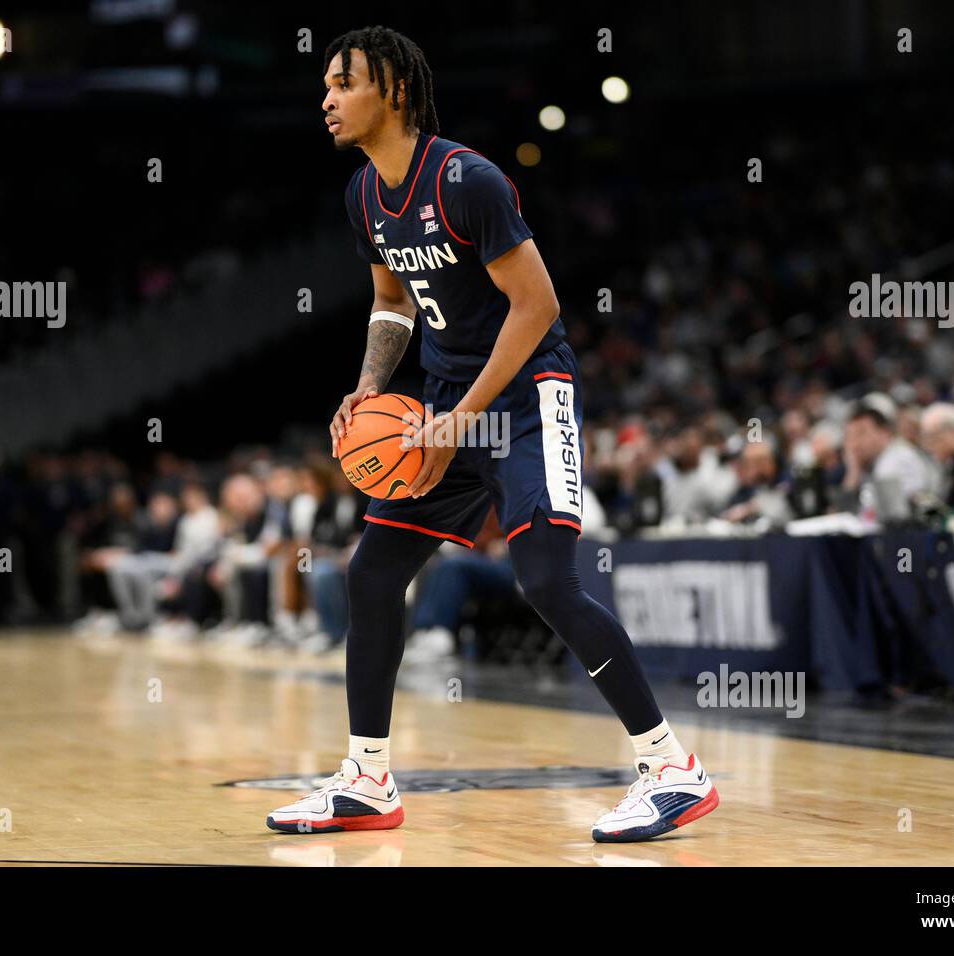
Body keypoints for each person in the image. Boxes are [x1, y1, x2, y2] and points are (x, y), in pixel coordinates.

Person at [265, 26, 718, 843]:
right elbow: (393, 303)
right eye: (325, 85)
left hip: (524, 396)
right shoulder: (364, 194)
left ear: (394, 91)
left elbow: (537, 307)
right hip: (443, 400)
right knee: (371, 575)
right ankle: (366, 778)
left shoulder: (466, 180)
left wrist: (461, 417)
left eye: (343, 82)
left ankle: (671, 768)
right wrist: (369, 388)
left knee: (546, 580)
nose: (326, 99)